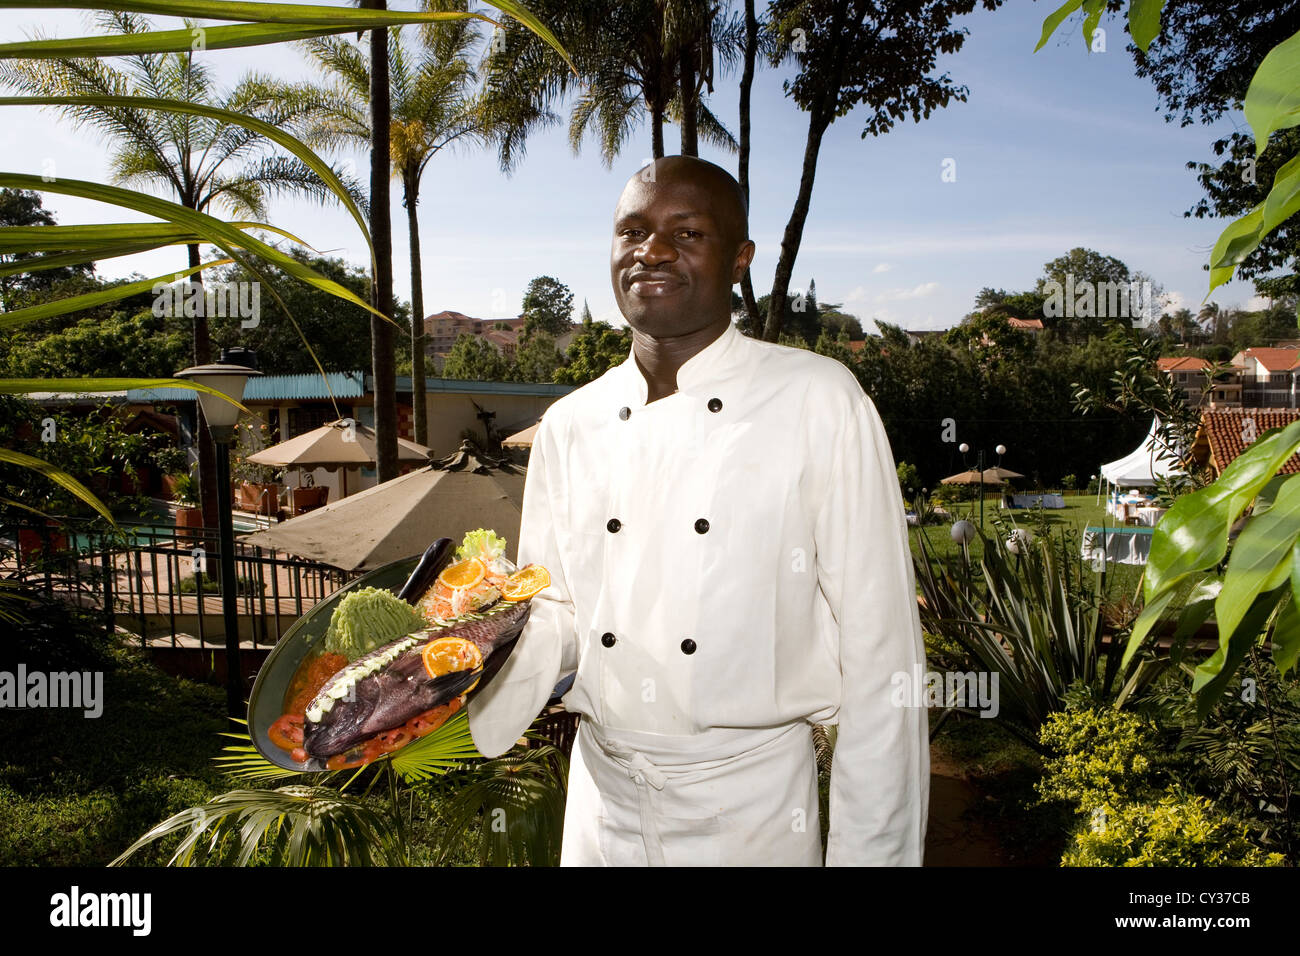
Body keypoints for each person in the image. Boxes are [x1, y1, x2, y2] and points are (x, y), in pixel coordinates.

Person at [469, 155, 929, 866]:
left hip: (752, 817)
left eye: (686, 233)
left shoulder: (817, 399)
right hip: (601, 810)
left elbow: (881, 651)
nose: (651, 251)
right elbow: (555, 607)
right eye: (633, 231)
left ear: (740, 259)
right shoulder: (569, 423)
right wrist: (445, 663)